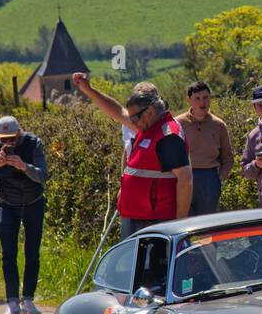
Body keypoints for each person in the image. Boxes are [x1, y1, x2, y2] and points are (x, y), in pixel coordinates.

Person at [73, 75, 192, 238]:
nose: (132, 123)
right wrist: (88, 89)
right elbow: (117, 111)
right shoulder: (148, 126)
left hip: (155, 221)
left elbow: (185, 181)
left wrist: (179, 226)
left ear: (150, 111)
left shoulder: (168, 136)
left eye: (135, 118)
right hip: (135, 216)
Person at [0, 115, 48, 314]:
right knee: (8, 254)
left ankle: (28, 300)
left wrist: (24, 166)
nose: (7, 144)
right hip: (8, 204)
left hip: (33, 203)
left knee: (32, 252)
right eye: (3, 140)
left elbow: (42, 176)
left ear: (19, 133)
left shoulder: (33, 143)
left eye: (11, 139)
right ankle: (12, 302)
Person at [176, 80, 234, 216]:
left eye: (205, 98)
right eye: (197, 98)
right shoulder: (178, 124)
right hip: (184, 176)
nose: (202, 102)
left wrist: (219, 179)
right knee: (183, 222)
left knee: (207, 226)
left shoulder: (219, 125)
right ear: (189, 100)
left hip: (209, 179)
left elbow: (228, 158)